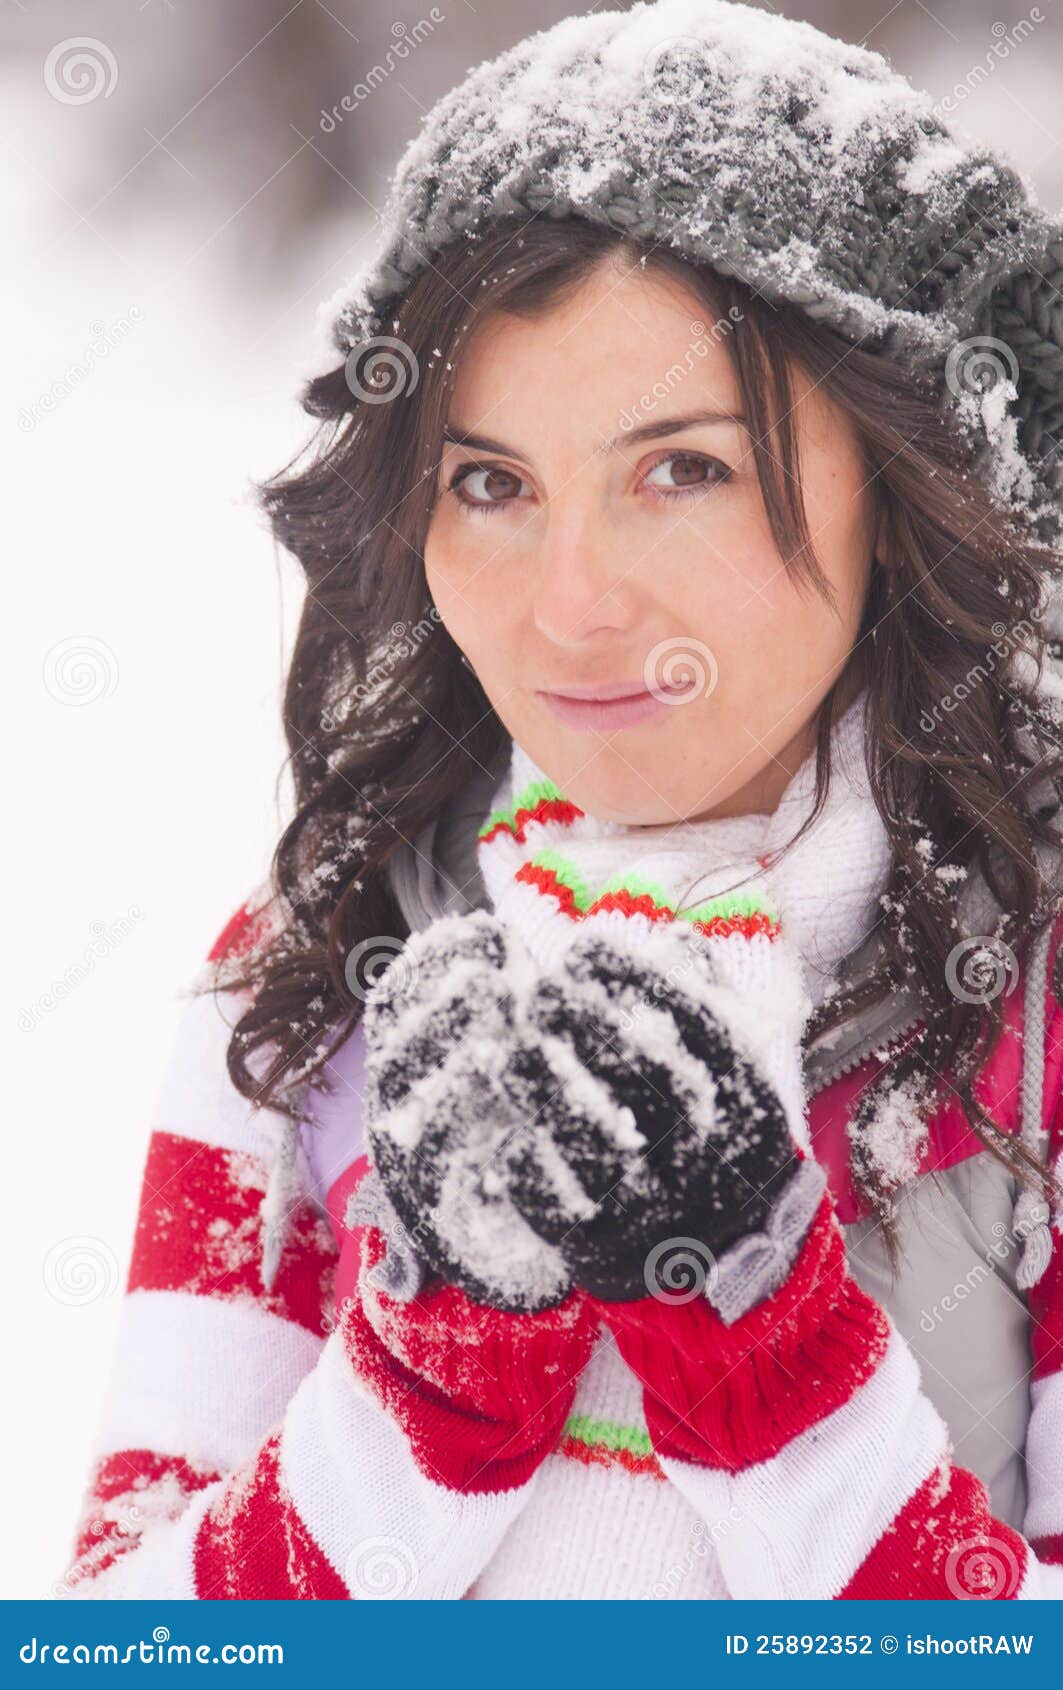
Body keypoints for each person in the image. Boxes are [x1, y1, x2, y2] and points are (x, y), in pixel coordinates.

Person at [60, 0, 1063, 1600]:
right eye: (491, 483)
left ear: (904, 479)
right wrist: (429, 1374)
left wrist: (769, 1350)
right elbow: (132, 1640)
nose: (570, 602)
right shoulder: (309, 974)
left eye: (684, 469)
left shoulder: (1033, 1005)